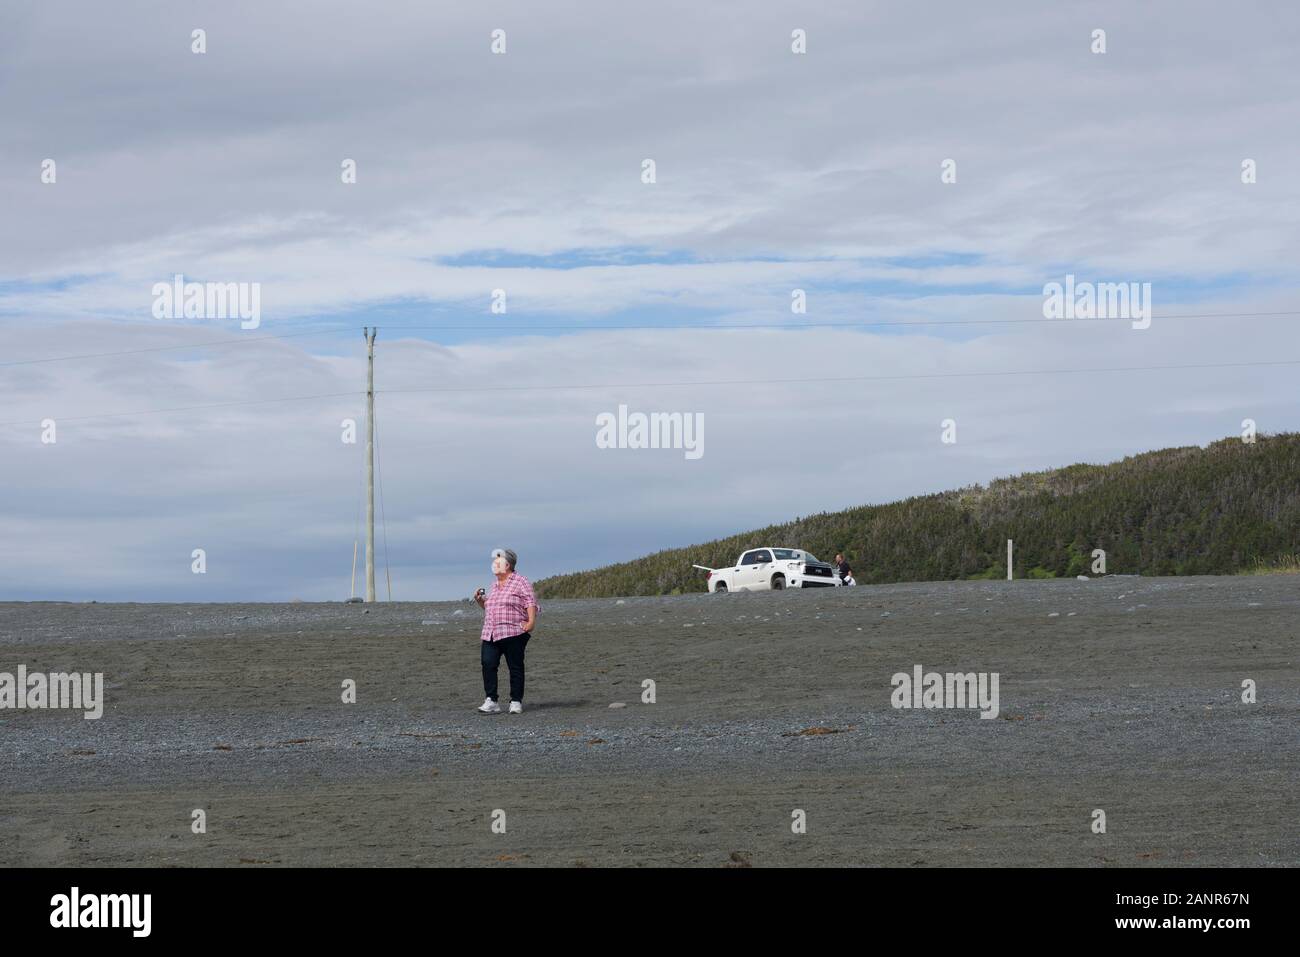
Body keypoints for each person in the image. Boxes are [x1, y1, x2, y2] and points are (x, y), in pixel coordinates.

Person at [473, 548, 538, 714]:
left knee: (515, 666)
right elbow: (489, 607)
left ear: (507, 564)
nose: (494, 564)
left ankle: (516, 701)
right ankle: (491, 700)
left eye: (498, 561)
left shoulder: (520, 581)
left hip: (513, 632)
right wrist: (481, 601)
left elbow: (530, 601)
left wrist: (531, 622)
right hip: (491, 632)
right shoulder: (494, 585)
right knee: (488, 663)